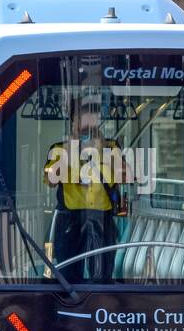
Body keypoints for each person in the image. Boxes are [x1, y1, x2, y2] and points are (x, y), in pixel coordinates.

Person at [43, 95, 127, 283]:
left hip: (101, 219)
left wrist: (101, 150)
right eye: (82, 117)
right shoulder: (59, 149)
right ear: (73, 120)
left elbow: (126, 176)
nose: (88, 124)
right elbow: (50, 178)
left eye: (93, 117)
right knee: (68, 275)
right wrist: (71, 146)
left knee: (102, 274)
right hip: (70, 219)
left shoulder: (111, 147)